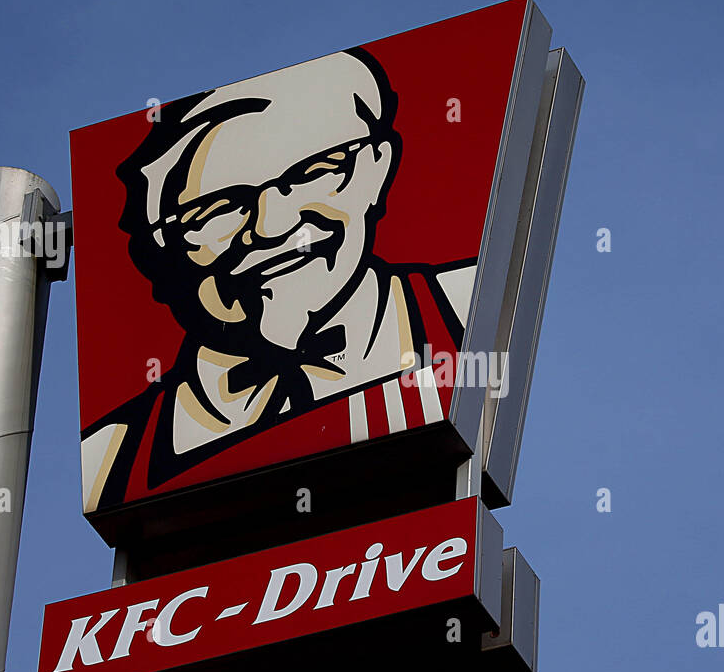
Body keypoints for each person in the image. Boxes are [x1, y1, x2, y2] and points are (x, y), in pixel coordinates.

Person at [80, 47, 475, 514]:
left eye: (314, 173)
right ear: (164, 247)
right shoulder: (107, 460)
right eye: (217, 209)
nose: (271, 226)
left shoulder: (473, 308)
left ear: (376, 168)